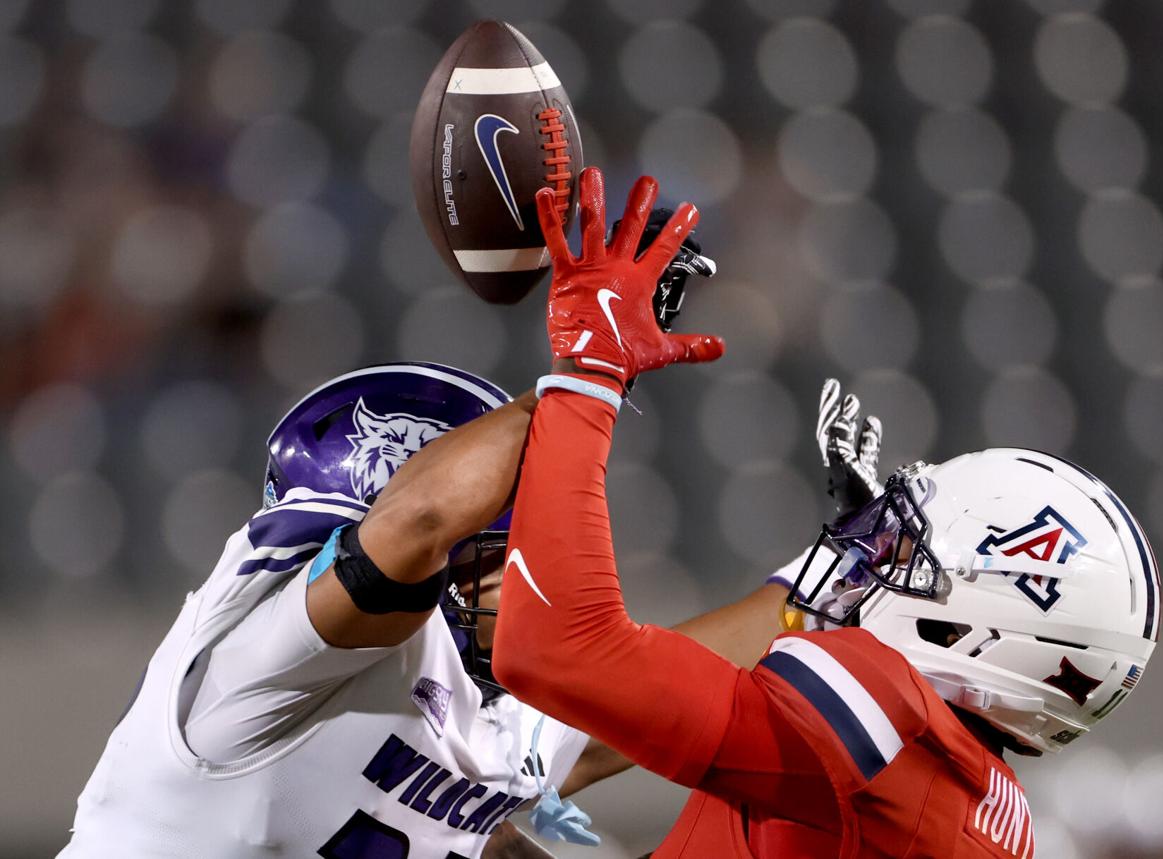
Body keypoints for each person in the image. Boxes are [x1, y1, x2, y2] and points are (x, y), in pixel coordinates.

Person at [492, 166, 1162, 857]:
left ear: (985, 629)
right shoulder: (964, 795)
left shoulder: (884, 731)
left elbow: (558, 649)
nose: (885, 548)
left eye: (909, 548)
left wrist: (589, 375)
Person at [59, 220, 784, 855]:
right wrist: (589, 373)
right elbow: (418, 524)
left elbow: (640, 698)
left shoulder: (463, 701)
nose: (524, 566)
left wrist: (838, 573)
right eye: (493, 550)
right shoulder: (254, 665)